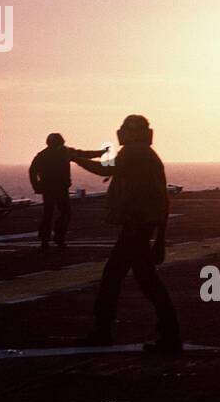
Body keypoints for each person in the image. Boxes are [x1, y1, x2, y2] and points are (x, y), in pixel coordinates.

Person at [72, 114, 182, 355]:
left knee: (118, 277)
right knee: (143, 279)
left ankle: (105, 331)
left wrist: (75, 158)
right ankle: (168, 334)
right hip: (142, 226)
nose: (120, 131)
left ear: (133, 131)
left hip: (136, 226)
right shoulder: (147, 155)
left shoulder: (135, 152)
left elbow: (105, 167)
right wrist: (160, 238)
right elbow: (163, 199)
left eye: (125, 128)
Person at [28, 134, 105, 250]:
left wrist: (36, 186)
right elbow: (83, 154)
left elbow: (32, 171)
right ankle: (54, 238)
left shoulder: (45, 155)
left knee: (54, 214)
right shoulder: (62, 152)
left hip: (55, 188)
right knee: (59, 213)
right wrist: (100, 153)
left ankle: (50, 239)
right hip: (56, 188)